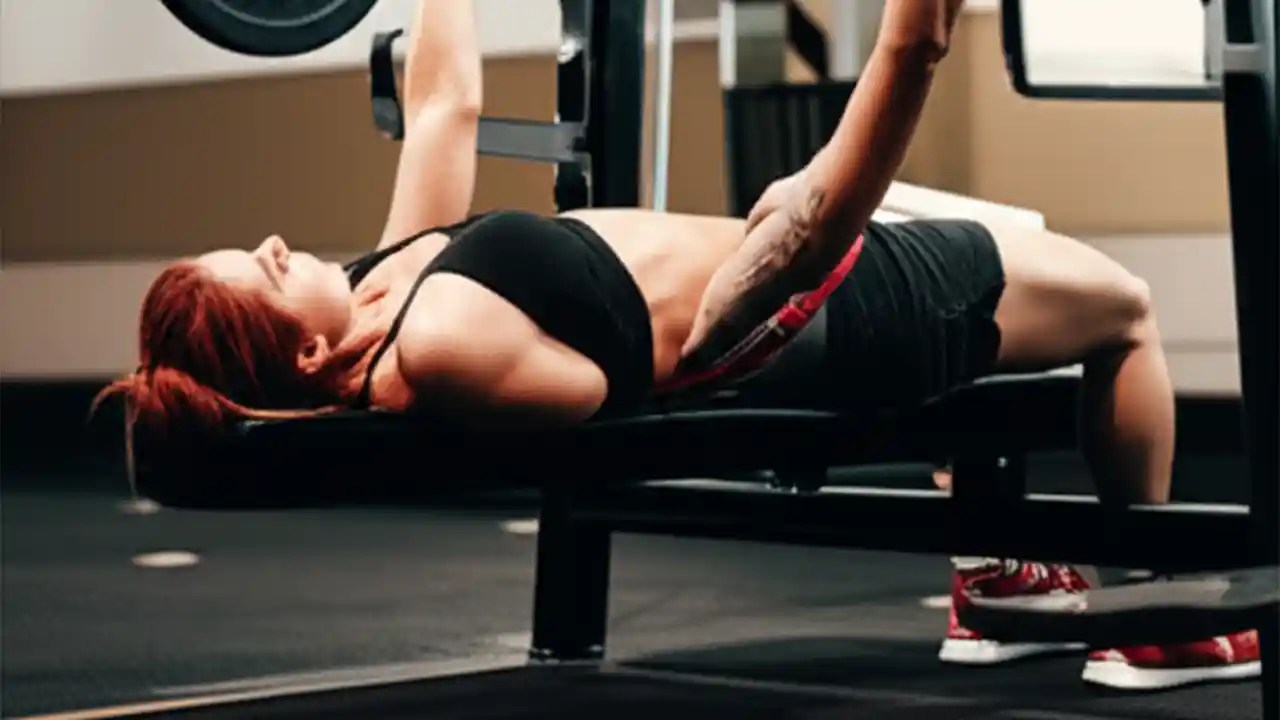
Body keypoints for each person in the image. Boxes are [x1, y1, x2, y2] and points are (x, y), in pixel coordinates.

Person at [96, 0, 1257, 692]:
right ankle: (1163, 622)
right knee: (1125, 309)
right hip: (820, 301)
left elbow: (445, 101)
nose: (275, 240)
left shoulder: (385, 285)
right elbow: (650, 383)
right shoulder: (434, 344)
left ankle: (995, 577)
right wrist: (906, 54)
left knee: (1030, 236)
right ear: (301, 361)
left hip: (787, 239)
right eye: (261, 267)